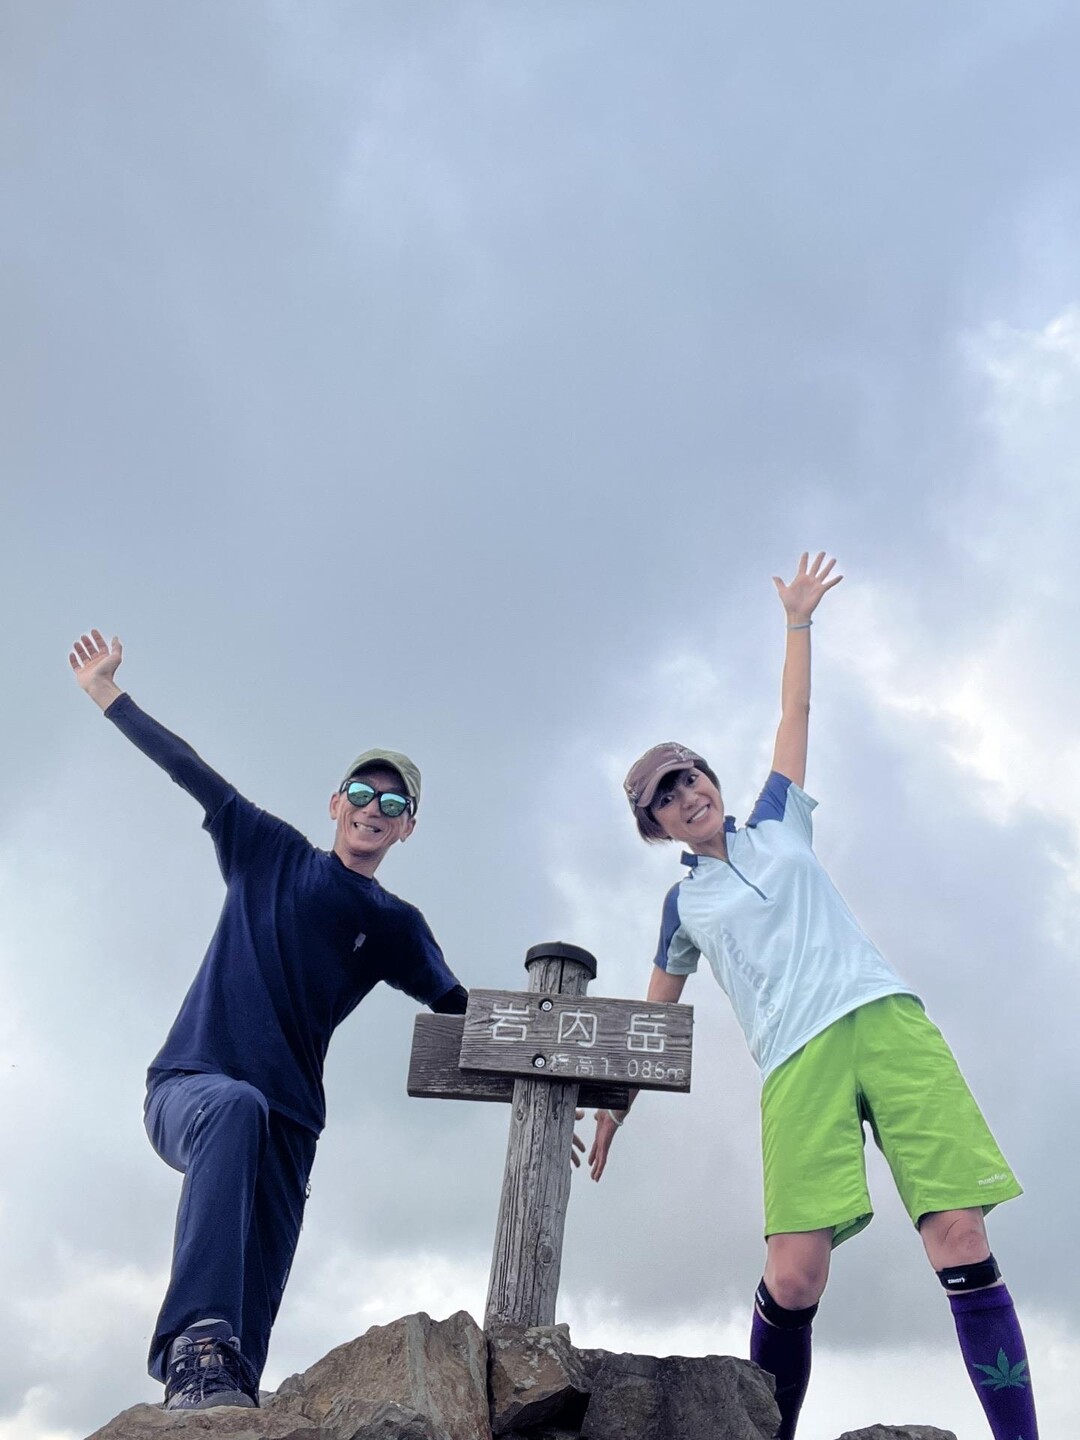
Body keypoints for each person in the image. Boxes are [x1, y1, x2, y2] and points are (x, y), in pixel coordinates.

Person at [585, 555, 1038, 1440]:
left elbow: (795, 716)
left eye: (691, 778)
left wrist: (798, 622)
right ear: (654, 826)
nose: (688, 797)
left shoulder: (778, 818)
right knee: (794, 1278)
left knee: (961, 1240)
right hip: (796, 1062)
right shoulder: (683, 905)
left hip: (884, 1020)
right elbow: (656, 1016)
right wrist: (613, 1106)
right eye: (666, 797)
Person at [69, 629, 468, 1412]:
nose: (373, 810)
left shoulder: (396, 924)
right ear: (336, 803)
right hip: (192, 1087)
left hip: (291, 1127)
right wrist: (107, 694)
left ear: (407, 828)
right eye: (362, 793)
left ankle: (221, 1388)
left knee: (241, 1360)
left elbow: (460, 1010)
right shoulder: (269, 851)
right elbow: (192, 771)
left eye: (393, 804)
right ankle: (191, 1344)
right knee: (235, 1111)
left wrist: (559, 1087)